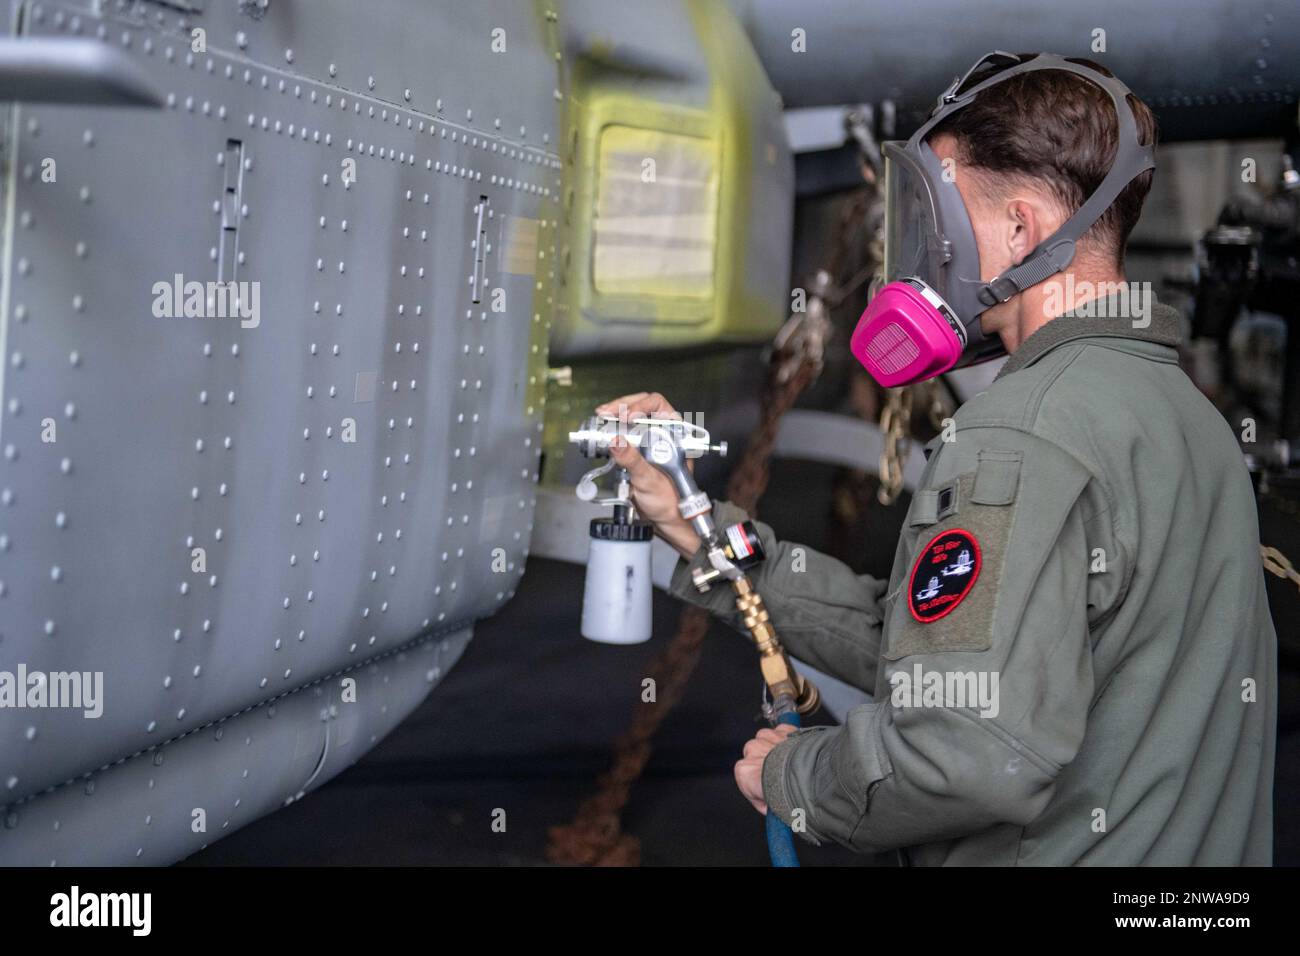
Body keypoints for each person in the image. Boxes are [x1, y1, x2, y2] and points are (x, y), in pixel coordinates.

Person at [594, 53, 1276, 865]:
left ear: (1022, 229)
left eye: (941, 214)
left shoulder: (1022, 432)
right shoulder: (1181, 411)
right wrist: (699, 529)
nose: (926, 249)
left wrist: (797, 776)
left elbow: (966, 758)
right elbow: (928, 645)